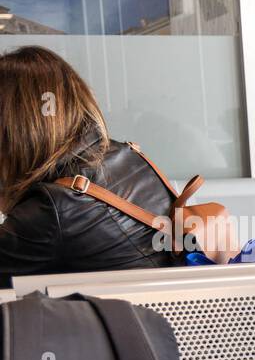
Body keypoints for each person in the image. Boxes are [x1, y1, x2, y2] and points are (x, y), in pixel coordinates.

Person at [0, 46, 188, 285]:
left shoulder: (54, 208)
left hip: (132, 320)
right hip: (174, 316)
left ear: (14, 129)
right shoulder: (127, 155)